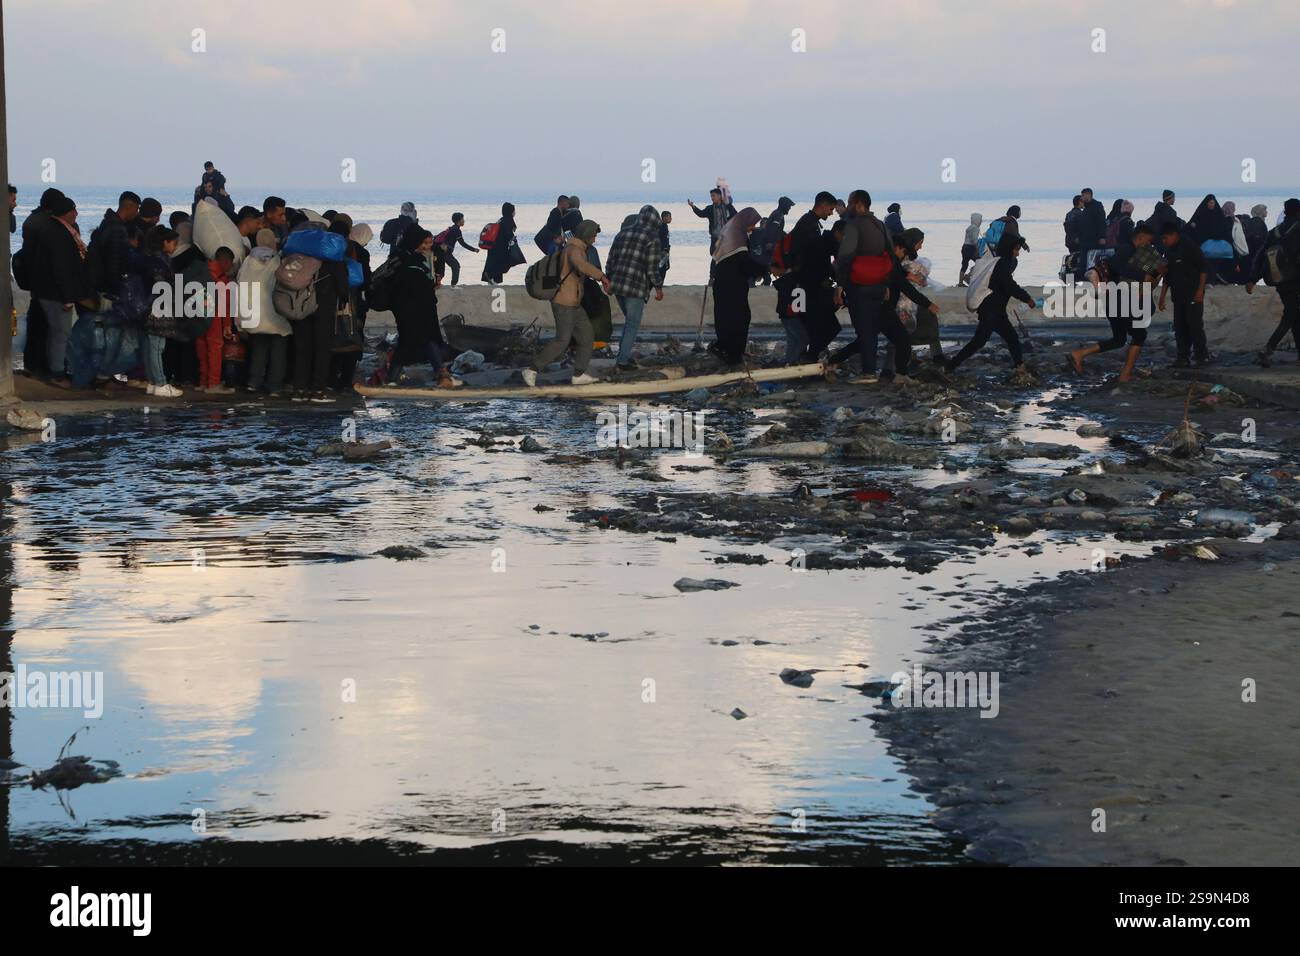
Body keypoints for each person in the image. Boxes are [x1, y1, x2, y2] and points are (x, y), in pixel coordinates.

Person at [830, 229, 936, 381]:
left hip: (871, 306)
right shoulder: (890, 263)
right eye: (903, 251)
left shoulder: (885, 260)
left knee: (865, 341)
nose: (904, 254)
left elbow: (902, 277)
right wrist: (928, 304)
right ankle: (900, 374)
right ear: (897, 248)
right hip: (882, 309)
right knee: (902, 340)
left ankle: (834, 360)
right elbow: (906, 287)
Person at [520, 220, 609, 387]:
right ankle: (532, 370)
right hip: (563, 303)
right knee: (562, 341)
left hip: (574, 303)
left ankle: (578, 374)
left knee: (587, 337)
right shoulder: (574, 250)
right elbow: (582, 266)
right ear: (586, 235)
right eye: (593, 236)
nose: (595, 239)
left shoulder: (577, 248)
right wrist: (602, 277)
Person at [1068, 223, 1160, 381]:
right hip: (1119, 300)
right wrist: (1142, 276)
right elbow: (1117, 264)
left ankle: (1079, 354)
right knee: (1139, 335)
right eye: (1148, 240)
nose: (1148, 244)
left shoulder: (1128, 250)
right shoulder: (1128, 249)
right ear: (1141, 236)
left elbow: (1127, 267)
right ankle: (1125, 374)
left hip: (1112, 301)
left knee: (1119, 339)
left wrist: (1151, 275)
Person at [944, 233, 1035, 374]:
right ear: (1009, 248)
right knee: (979, 342)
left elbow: (1008, 285)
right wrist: (1027, 298)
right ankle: (951, 365)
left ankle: (1020, 366)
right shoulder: (1003, 264)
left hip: (995, 311)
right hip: (991, 312)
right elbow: (1009, 286)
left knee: (1011, 338)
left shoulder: (1000, 262)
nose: (1017, 254)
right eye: (1016, 249)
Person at [833, 190, 895, 382]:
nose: (848, 206)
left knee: (863, 329)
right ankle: (869, 369)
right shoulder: (881, 225)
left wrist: (840, 285)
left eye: (850, 202)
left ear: (859, 204)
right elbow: (890, 254)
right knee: (872, 328)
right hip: (878, 283)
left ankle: (868, 371)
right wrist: (886, 283)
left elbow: (845, 256)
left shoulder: (854, 225)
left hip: (859, 284)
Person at [30, 193, 90, 387]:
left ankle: (54, 370)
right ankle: (57, 374)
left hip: (49, 291)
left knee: (56, 332)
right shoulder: (59, 234)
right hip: (55, 293)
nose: (77, 214)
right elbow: (60, 268)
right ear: (66, 212)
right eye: (74, 210)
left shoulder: (52, 230)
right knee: (60, 333)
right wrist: (67, 296)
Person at [386, 226, 457, 389]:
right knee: (414, 341)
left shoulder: (408, 257)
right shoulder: (406, 259)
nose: (427, 246)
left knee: (423, 340)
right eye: (424, 243)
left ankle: (393, 378)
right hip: (411, 310)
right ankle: (440, 374)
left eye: (429, 243)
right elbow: (408, 286)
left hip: (419, 309)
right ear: (415, 242)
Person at [778, 191, 838, 363]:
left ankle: (795, 363)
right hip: (804, 285)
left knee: (802, 331)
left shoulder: (810, 223)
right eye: (831, 209)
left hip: (804, 284)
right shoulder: (809, 225)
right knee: (803, 330)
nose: (831, 213)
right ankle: (799, 363)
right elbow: (811, 257)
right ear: (823, 205)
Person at [606, 206, 665, 371]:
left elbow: (611, 260)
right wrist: (658, 288)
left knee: (629, 323)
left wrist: (608, 280)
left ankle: (623, 356)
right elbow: (652, 268)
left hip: (617, 285)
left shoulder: (622, 233)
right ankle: (622, 361)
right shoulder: (652, 237)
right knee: (632, 324)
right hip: (636, 287)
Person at [1247, 198, 1300, 367]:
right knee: (1291, 315)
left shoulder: (1275, 232)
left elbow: (1261, 256)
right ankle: (1268, 349)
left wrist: (1252, 279)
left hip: (1281, 281)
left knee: (1295, 315)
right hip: (1296, 280)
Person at [709, 207, 763, 365]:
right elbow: (744, 263)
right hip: (733, 289)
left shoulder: (728, 236)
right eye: (752, 224)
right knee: (739, 320)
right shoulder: (738, 238)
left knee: (725, 320)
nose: (753, 227)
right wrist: (764, 269)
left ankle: (725, 349)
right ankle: (733, 355)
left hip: (722, 286)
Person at [245, 228, 293, 396]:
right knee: (278, 350)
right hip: (275, 312)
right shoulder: (278, 260)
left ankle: (254, 382)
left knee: (259, 348)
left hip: (255, 314)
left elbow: (241, 285)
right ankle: (275, 386)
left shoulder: (248, 261)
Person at [1157, 221, 1209, 367]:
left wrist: (1200, 291)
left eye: (1165, 238)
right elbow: (1166, 275)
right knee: (1179, 327)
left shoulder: (1189, 246)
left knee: (1194, 325)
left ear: (1174, 235)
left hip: (1193, 292)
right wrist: (1162, 297)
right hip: (1177, 294)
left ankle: (1201, 356)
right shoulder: (1168, 251)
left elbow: (1204, 268)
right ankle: (1182, 357)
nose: (1164, 241)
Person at [140, 226, 184, 397]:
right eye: (174, 243)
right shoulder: (160, 263)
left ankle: (152, 381)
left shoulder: (147, 259)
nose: (175, 247)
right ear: (165, 243)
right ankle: (160, 383)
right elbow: (162, 286)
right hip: (159, 307)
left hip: (149, 306)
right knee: (157, 346)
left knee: (150, 345)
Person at [196, 247, 238, 395]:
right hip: (213, 317)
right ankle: (213, 384)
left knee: (202, 347)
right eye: (230, 264)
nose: (230, 267)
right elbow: (224, 305)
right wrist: (227, 325)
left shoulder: (200, 270)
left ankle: (203, 381)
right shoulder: (221, 278)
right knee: (215, 348)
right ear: (225, 262)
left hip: (197, 314)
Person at [688, 188, 736, 256]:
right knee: (714, 255)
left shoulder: (728, 207)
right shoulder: (710, 208)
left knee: (728, 256)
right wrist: (693, 207)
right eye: (711, 196)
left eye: (713, 196)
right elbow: (701, 214)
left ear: (719, 196)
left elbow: (736, 217)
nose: (712, 198)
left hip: (727, 237)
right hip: (715, 237)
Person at [435, 213, 479, 286]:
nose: (464, 221)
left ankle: (439, 283)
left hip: (442, 251)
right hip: (444, 252)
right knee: (455, 266)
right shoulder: (456, 230)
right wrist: (474, 249)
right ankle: (453, 285)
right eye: (462, 219)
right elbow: (462, 243)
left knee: (442, 269)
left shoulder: (451, 228)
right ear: (459, 221)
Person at [480, 202, 519, 284]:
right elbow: (509, 234)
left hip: (493, 245)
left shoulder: (501, 219)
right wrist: (514, 241)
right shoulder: (508, 220)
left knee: (493, 262)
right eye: (514, 211)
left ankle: (491, 279)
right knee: (502, 263)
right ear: (510, 211)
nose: (515, 212)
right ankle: (493, 280)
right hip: (500, 246)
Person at [1077, 187, 1107, 262]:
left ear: (1090, 195)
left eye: (1085, 195)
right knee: (1083, 263)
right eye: (1082, 196)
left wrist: (1102, 237)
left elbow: (1101, 222)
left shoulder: (1097, 206)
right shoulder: (1085, 209)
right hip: (1084, 241)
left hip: (1094, 240)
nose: (1083, 197)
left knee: (1093, 262)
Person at [959, 213, 984, 285]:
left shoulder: (969, 227)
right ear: (977, 220)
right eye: (980, 220)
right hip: (971, 248)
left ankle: (960, 282)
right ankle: (968, 276)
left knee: (964, 265)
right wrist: (977, 250)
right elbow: (974, 241)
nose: (981, 222)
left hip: (964, 247)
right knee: (980, 262)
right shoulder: (976, 228)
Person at [656, 210, 672, 285]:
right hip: (662, 251)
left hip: (665, 250)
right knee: (662, 268)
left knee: (665, 267)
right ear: (664, 217)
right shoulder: (662, 226)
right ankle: (659, 284)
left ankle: (660, 283)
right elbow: (661, 239)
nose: (671, 218)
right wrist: (664, 249)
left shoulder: (665, 226)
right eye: (669, 217)